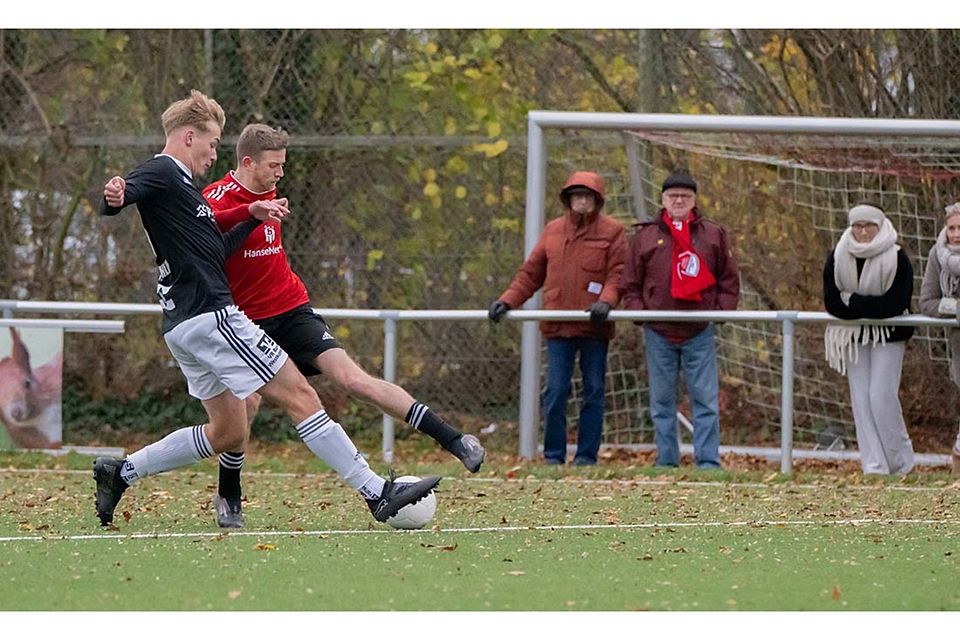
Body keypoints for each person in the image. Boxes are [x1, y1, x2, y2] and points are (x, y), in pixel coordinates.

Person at [93, 89, 439, 527]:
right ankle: (376, 493)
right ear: (186, 137)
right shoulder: (164, 171)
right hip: (212, 316)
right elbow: (125, 193)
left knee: (229, 432)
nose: (215, 151)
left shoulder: (184, 189)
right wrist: (115, 194)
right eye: (212, 142)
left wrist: (251, 214)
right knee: (301, 395)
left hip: (181, 326)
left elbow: (213, 242)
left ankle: (120, 472)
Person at [202, 123, 484, 527]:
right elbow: (202, 245)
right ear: (247, 162)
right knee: (246, 404)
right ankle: (229, 495)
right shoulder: (215, 200)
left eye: (283, 165)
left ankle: (455, 439)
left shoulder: (269, 194)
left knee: (355, 380)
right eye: (273, 165)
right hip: (245, 322)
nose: (280, 174)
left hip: (293, 310)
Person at [488, 171, 626, 465]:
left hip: (594, 328)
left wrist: (606, 302)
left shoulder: (613, 231)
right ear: (568, 199)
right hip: (558, 327)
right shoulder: (552, 230)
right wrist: (507, 300)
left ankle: (587, 457)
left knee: (594, 391)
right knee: (556, 391)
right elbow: (531, 274)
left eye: (587, 196)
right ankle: (553, 456)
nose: (582, 201)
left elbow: (618, 274)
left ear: (597, 200)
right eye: (577, 195)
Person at [620, 170, 739, 469]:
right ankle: (667, 460)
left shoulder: (712, 234)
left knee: (705, 399)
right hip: (659, 331)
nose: (679, 201)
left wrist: (720, 312)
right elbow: (630, 282)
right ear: (662, 199)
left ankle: (708, 461)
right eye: (673, 196)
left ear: (694, 200)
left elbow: (729, 278)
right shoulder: (646, 235)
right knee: (661, 401)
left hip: (699, 331)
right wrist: (640, 314)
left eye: (685, 196)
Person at [823, 203, 914, 475]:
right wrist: (863, 306)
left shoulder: (897, 256)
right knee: (861, 400)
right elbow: (832, 301)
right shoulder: (838, 255)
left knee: (881, 396)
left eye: (868, 226)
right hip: (852, 336)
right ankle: (874, 466)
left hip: (890, 335)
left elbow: (895, 304)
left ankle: (901, 463)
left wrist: (852, 301)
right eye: (858, 226)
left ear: (880, 226)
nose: (863, 232)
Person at [917, 201, 960, 476]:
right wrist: (955, 308)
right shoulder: (937, 254)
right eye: (952, 228)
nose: (956, 233)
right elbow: (927, 301)